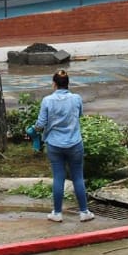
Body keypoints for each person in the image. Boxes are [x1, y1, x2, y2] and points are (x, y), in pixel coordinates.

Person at [34, 69, 94, 222]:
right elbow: (79, 115)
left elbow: (41, 124)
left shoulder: (47, 100)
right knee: (78, 178)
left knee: (58, 178)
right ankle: (84, 212)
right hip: (75, 143)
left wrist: (34, 130)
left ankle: (57, 213)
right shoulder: (76, 98)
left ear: (54, 84)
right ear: (68, 84)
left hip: (54, 144)